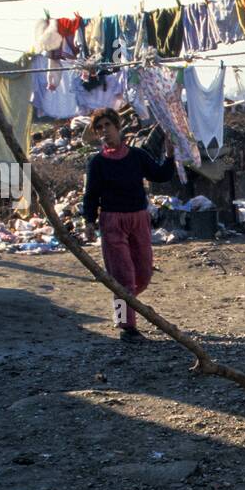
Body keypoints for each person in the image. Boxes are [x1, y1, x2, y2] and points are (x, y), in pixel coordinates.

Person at [81, 107, 174, 342]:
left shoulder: (137, 156)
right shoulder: (98, 162)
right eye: (99, 128)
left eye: (107, 126)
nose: (104, 132)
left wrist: (171, 156)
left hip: (138, 219)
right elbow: (91, 195)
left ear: (117, 127)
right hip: (112, 221)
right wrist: (89, 222)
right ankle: (126, 326)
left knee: (142, 274)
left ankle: (123, 304)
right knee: (123, 277)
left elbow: (161, 175)